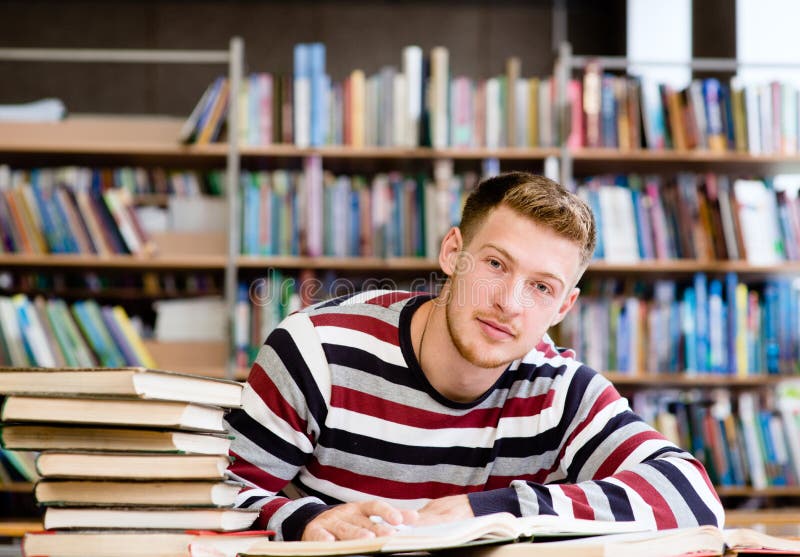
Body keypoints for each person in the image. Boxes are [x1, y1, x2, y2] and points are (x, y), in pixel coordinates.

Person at [225, 171, 724, 542]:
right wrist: (308, 519)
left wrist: (493, 509)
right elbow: (209, 496)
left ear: (563, 307)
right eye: (495, 264)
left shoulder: (558, 392)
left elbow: (692, 498)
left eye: (541, 287)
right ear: (451, 254)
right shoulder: (317, 351)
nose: (510, 302)